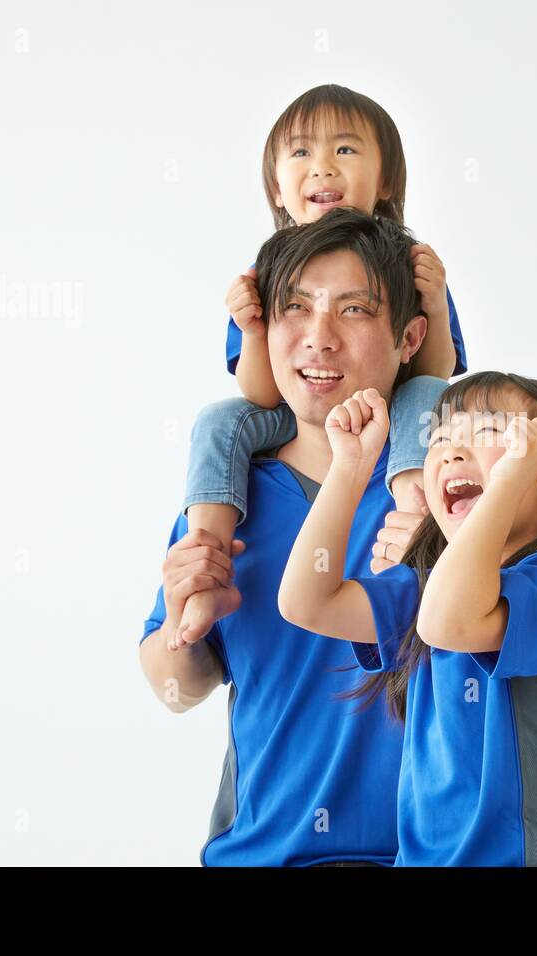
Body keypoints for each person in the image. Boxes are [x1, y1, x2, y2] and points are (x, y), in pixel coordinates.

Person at [139, 208, 431, 865]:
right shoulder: (224, 501)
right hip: (259, 853)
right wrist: (181, 632)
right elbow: (178, 691)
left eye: (354, 310)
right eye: (295, 308)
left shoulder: (437, 498)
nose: (318, 339)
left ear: (410, 337)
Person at [278, 373, 537, 865]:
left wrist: (508, 481)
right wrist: (350, 468)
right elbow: (307, 602)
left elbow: (447, 623)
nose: (452, 452)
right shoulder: (435, 585)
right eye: (439, 439)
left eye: (487, 432)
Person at [176, 83, 469, 647]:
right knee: (220, 419)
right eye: (302, 154)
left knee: (423, 394)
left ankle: (413, 513)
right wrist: (256, 327)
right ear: (277, 188)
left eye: (346, 151)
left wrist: (432, 301)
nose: (323, 169)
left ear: (385, 183)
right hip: (301, 416)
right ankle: (207, 559)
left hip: (392, 415)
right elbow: (263, 396)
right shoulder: (265, 273)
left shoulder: (410, 264)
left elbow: (433, 371)